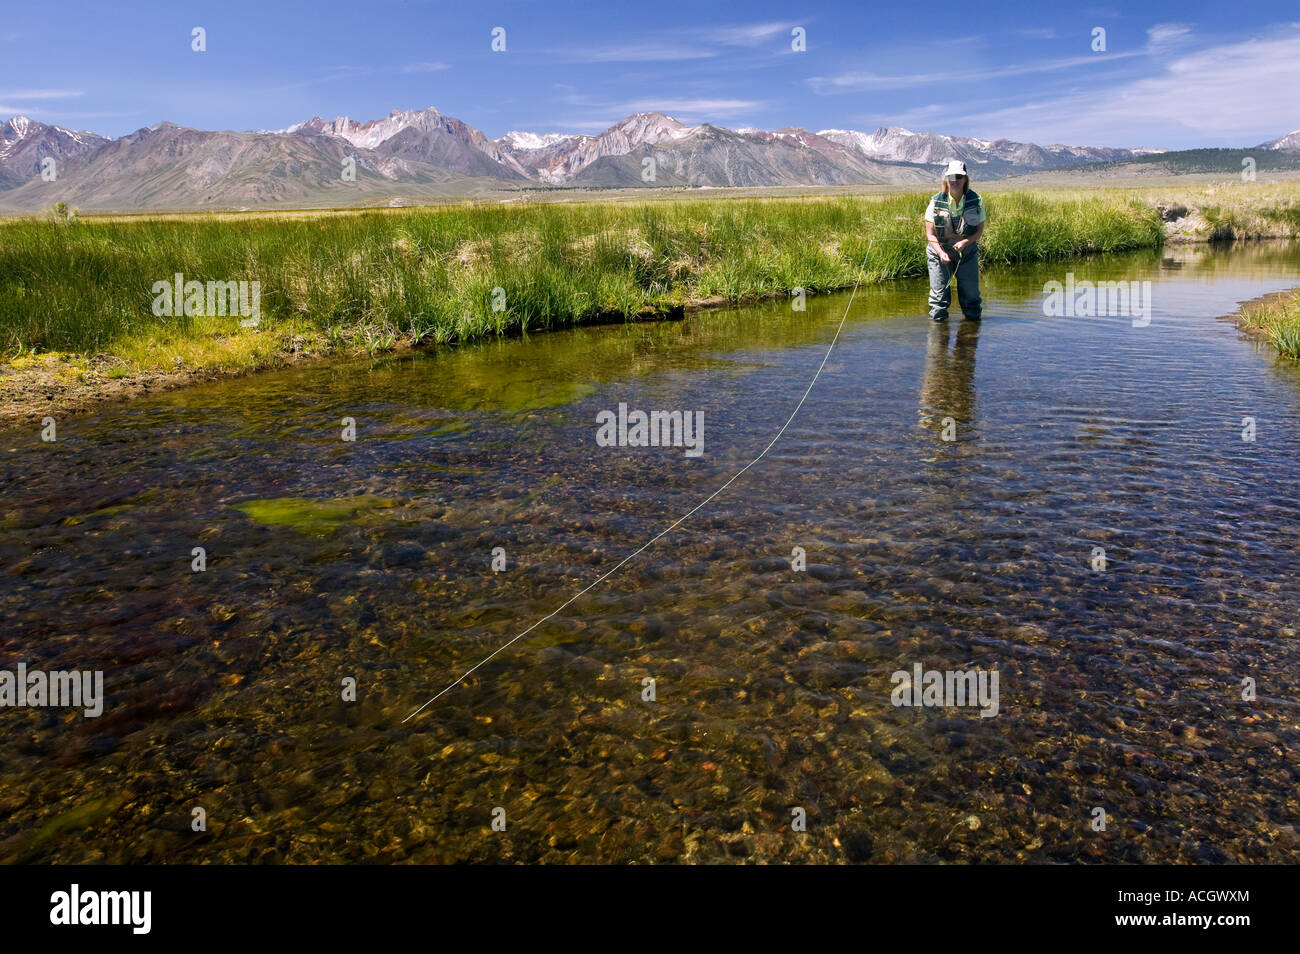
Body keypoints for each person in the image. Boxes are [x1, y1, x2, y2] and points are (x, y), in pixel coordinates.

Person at [923, 160, 985, 321]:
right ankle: (938, 340)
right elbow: (930, 234)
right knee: (939, 301)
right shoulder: (935, 201)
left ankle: (970, 338)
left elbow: (979, 231)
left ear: (965, 179)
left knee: (971, 298)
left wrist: (965, 242)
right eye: (951, 176)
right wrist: (941, 253)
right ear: (946, 179)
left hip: (967, 252)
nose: (955, 180)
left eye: (959, 176)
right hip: (939, 253)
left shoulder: (976, 200)